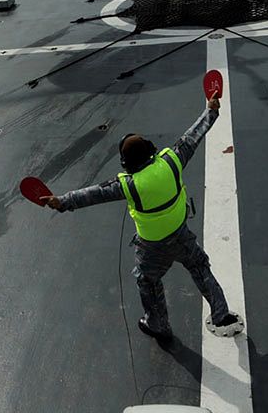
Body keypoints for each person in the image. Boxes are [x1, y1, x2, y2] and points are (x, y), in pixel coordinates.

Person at [39, 91, 243, 344]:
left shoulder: (128, 185)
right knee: (200, 267)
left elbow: (92, 194)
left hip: (152, 247)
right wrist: (211, 109)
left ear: (126, 164)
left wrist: (61, 202)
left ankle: (158, 325)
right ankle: (221, 314)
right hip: (181, 235)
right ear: (151, 150)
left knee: (147, 280)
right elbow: (194, 135)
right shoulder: (172, 161)